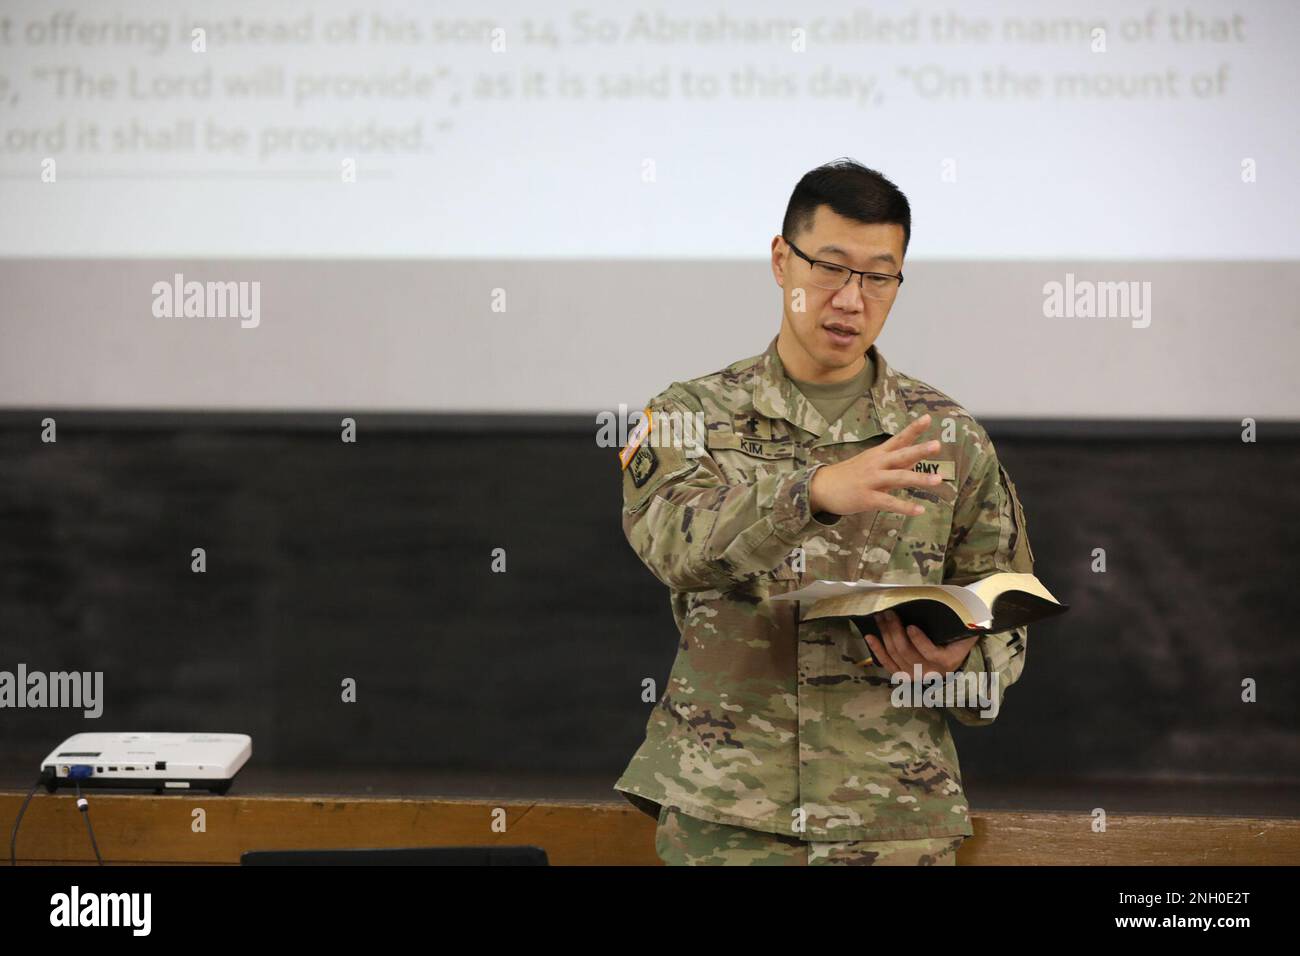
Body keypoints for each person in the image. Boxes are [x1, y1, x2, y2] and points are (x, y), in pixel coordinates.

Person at [613, 158, 1036, 866]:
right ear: (782, 261)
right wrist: (809, 493)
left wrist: (960, 663)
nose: (851, 298)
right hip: (729, 811)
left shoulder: (948, 437)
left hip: (894, 813)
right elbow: (670, 545)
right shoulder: (690, 415)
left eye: (879, 275)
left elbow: (1006, 602)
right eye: (830, 268)